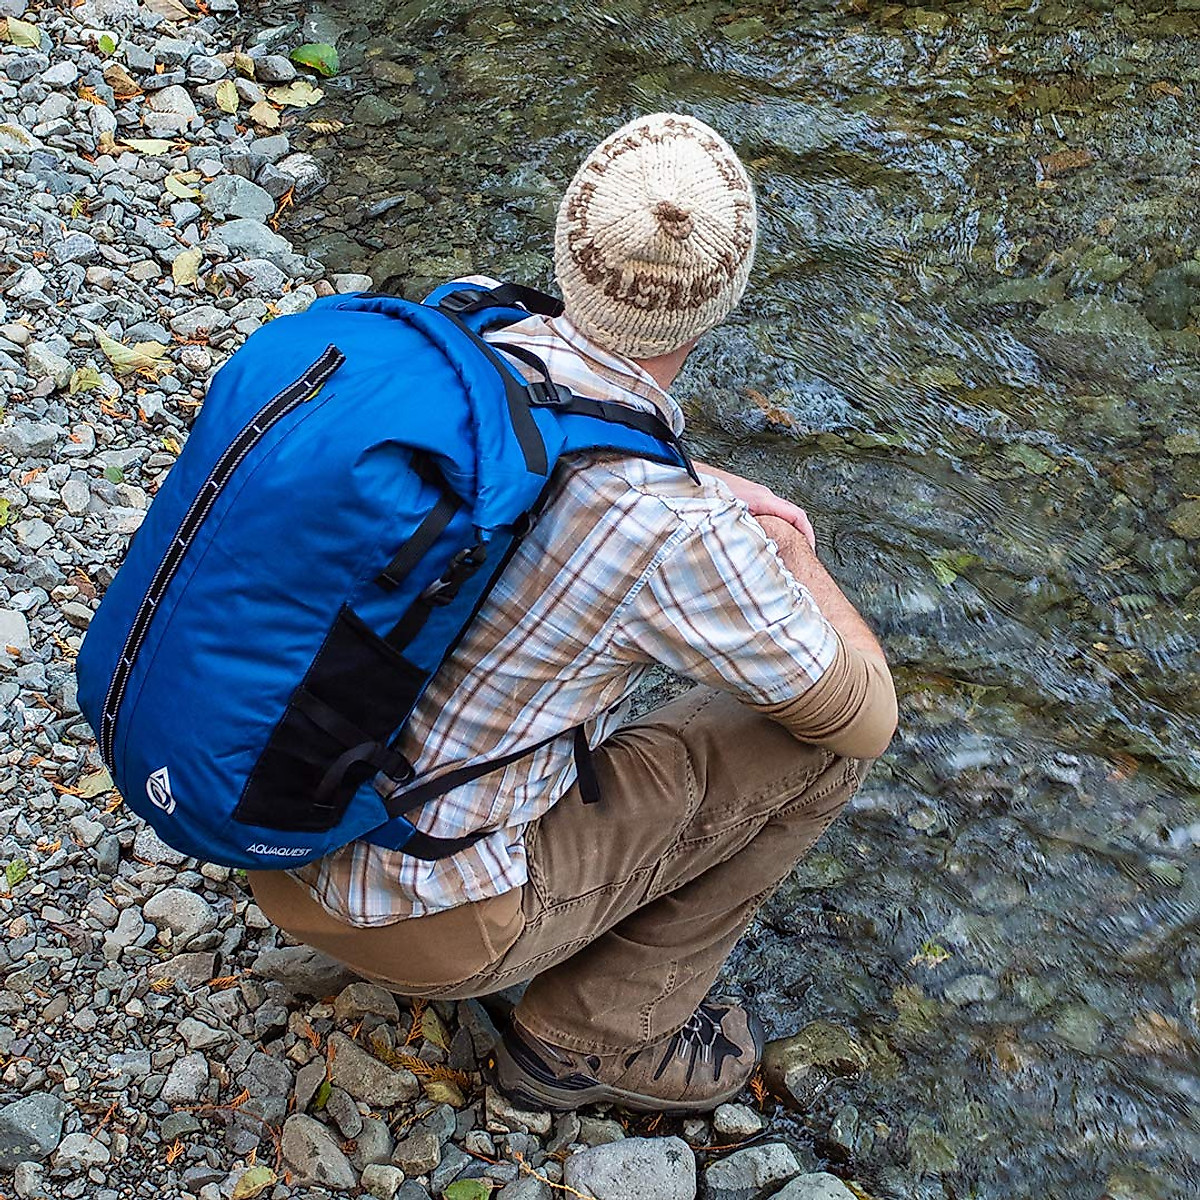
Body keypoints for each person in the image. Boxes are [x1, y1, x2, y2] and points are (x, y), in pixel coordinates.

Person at [248, 112, 896, 1114]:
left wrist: (708, 481)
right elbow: (867, 714)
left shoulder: (460, 342)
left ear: (566, 244)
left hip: (268, 825)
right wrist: (789, 549)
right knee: (818, 744)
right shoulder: (670, 529)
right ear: (723, 294)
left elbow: (571, 443)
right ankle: (590, 1038)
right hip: (431, 922)